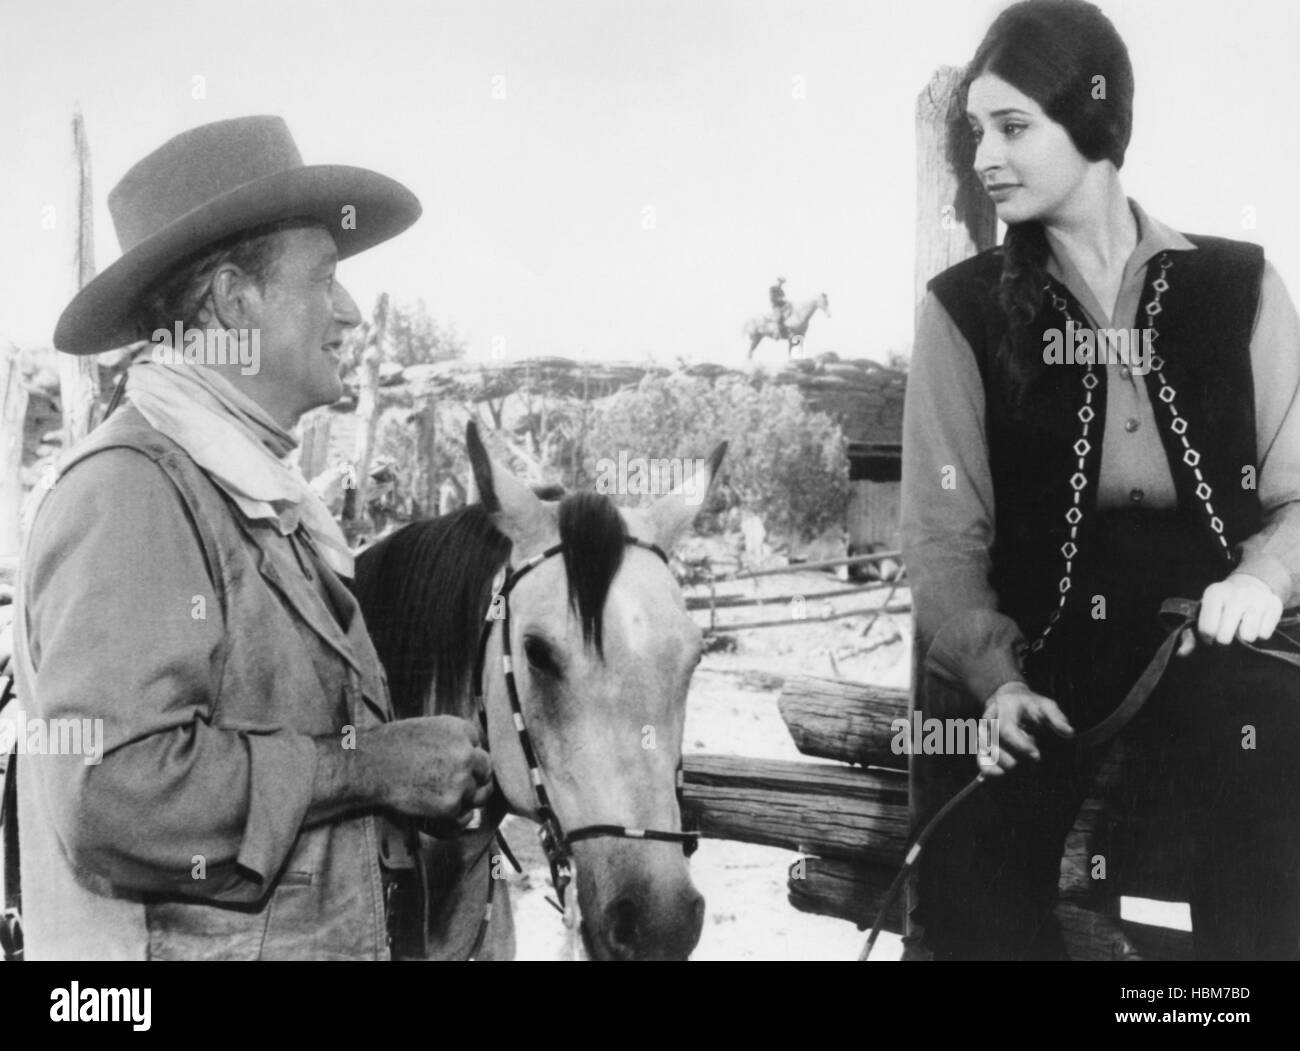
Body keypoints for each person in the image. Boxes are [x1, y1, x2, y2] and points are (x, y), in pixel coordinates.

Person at [7, 116, 493, 959]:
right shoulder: (133, 490)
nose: (349, 313)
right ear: (236, 301)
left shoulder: (247, 490)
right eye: (326, 279)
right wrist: (371, 767)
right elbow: (112, 791)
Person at [902, 0, 1300, 960]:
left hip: (1210, 625)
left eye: (1012, 127)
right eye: (974, 132)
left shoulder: (1238, 285)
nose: (984, 157)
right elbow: (944, 541)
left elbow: (1298, 492)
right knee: (976, 873)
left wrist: (1264, 577)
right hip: (1037, 648)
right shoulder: (961, 312)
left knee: (1273, 784)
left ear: (1095, 119)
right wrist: (995, 682)